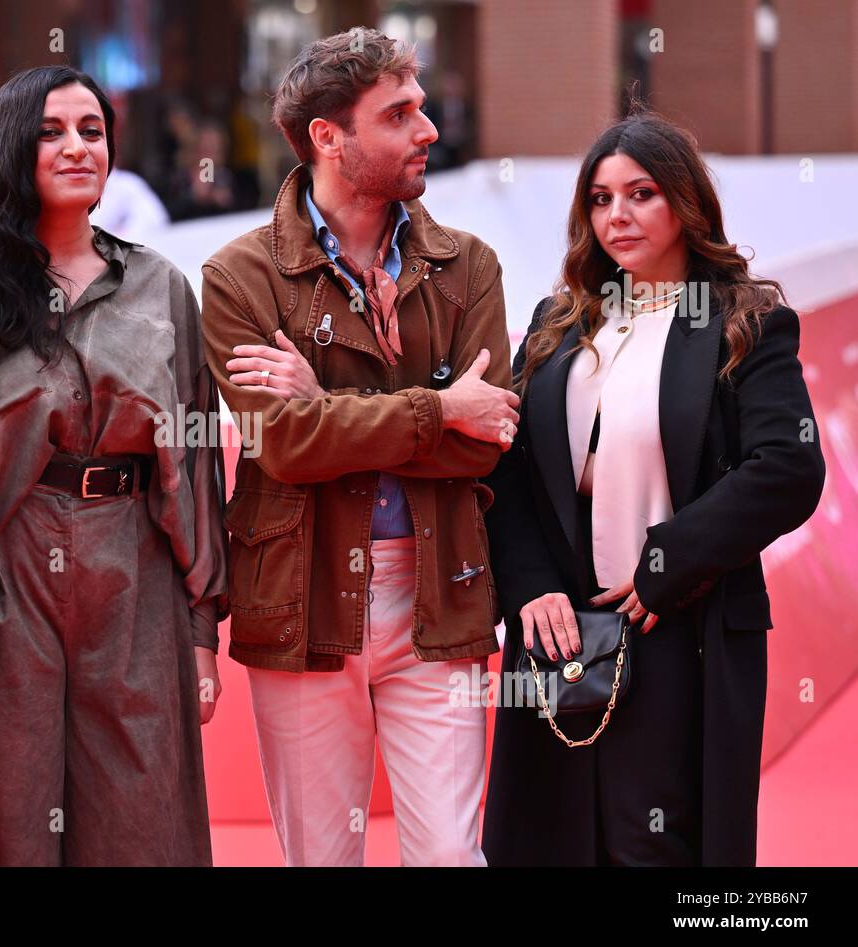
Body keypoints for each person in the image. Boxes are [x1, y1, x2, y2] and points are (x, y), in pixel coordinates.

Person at [198, 28, 519, 867]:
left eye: (421, 107)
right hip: (299, 592)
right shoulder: (239, 275)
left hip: (438, 587)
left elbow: (487, 441)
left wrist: (332, 410)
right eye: (399, 114)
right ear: (328, 138)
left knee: (452, 856)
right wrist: (439, 408)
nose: (429, 131)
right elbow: (284, 443)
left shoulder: (468, 266)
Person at [481, 108, 826, 866]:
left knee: (655, 845)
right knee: (553, 843)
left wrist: (670, 560)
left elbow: (788, 467)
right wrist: (529, 586)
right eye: (600, 199)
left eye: (640, 194)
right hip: (560, 634)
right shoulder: (558, 323)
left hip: (678, 629)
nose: (617, 216)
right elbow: (506, 469)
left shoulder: (747, 319)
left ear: (685, 201)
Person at [0, 66, 229, 867]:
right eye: (51, 132)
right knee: (8, 804)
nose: (76, 148)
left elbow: (197, 459)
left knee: (141, 804)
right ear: (11, 150)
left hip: (135, 562)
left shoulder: (160, 286)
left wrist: (203, 626)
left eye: (91, 131)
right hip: (7, 567)